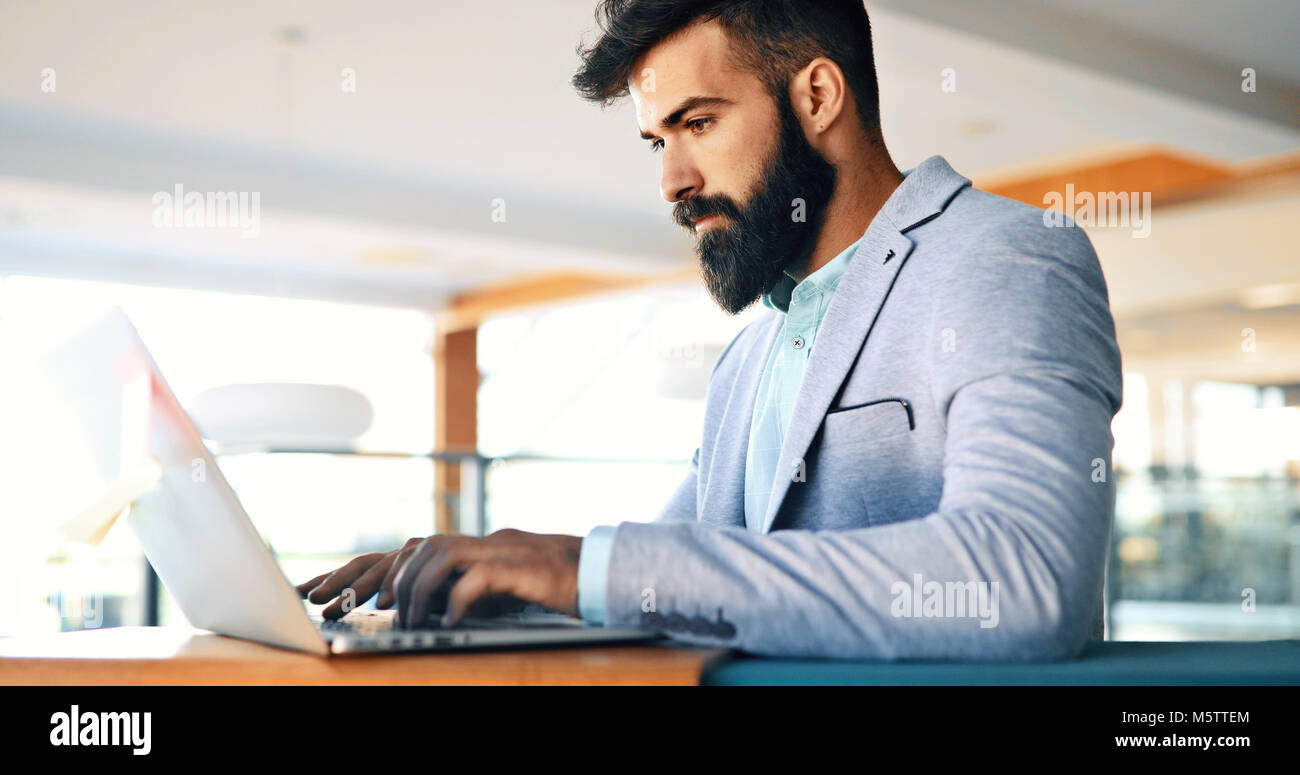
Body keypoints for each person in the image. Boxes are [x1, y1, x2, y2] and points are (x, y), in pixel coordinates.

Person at [299, 0, 1123, 660]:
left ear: (818, 97)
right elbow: (670, 581)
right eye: (658, 140)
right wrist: (493, 581)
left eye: (698, 125)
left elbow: (1025, 577)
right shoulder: (749, 355)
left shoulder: (1007, 257)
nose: (671, 181)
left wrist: (583, 567)